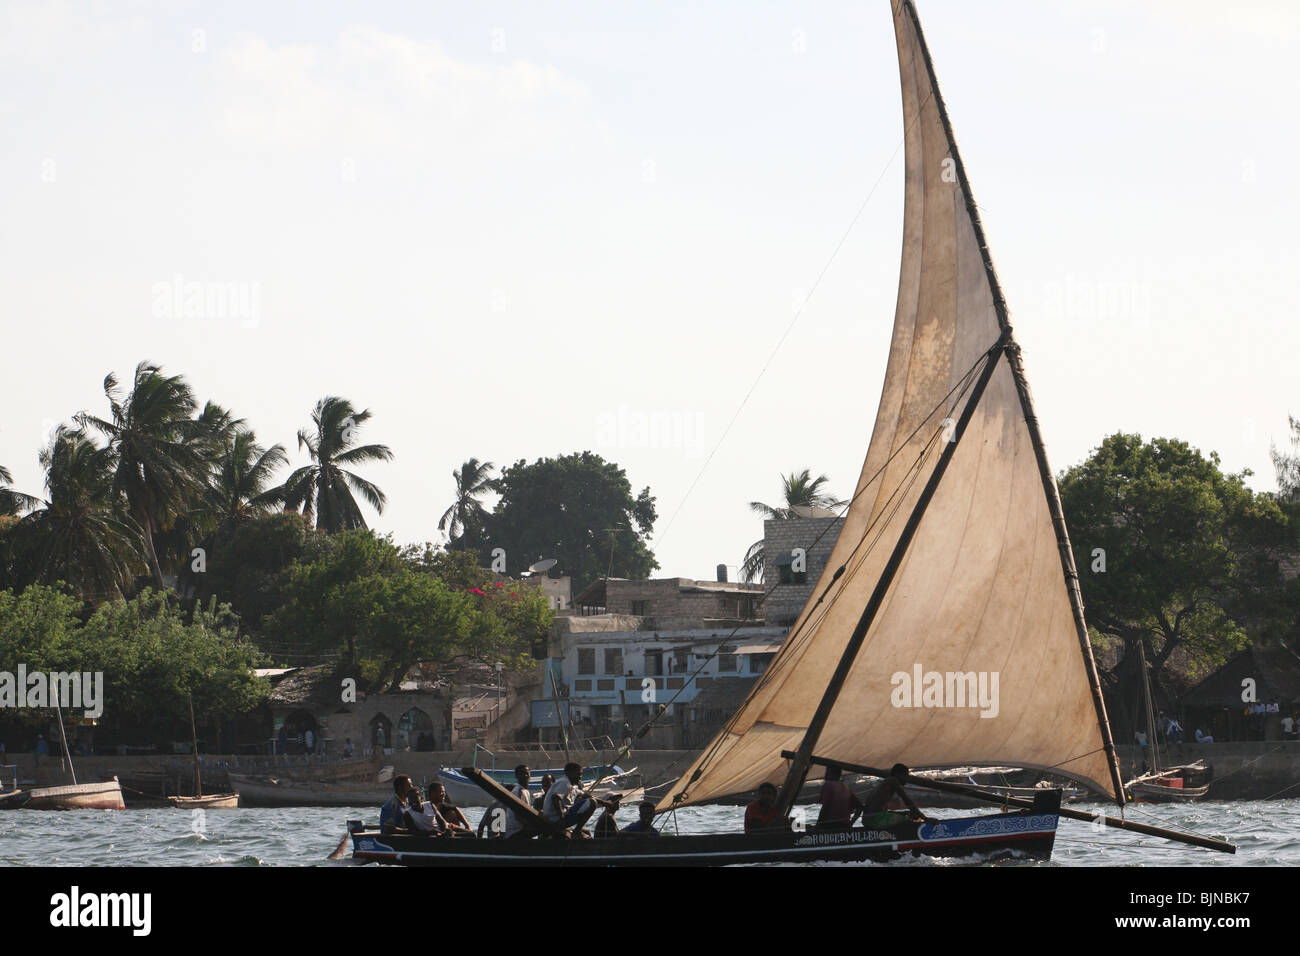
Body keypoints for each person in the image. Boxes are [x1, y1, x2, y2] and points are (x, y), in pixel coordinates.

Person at [857, 764, 931, 827]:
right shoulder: (893, 780)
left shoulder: (886, 783)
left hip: (869, 819)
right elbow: (907, 800)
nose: (907, 778)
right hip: (874, 819)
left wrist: (904, 813)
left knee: (907, 815)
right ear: (897, 774)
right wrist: (924, 818)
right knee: (909, 820)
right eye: (905, 775)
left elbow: (881, 811)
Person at [544, 762, 605, 836]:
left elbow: (586, 795)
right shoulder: (565, 782)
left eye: (581, 775)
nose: (580, 777)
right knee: (592, 803)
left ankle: (577, 830)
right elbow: (556, 798)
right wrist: (562, 818)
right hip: (555, 820)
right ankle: (577, 830)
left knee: (589, 801)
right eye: (578, 774)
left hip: (558, 818)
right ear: (569, 773)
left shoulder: (572, 786)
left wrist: (606, 803)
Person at [816, 766, 863, 830]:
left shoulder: (828, 785)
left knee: (803, 828)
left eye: (827, 772)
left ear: (831, 773)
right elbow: (860, 807)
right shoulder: (846, 787)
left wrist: (817, 825)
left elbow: (825, 807)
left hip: (829, 826)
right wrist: (851, 823)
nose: (825, 774)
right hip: (845, 826)